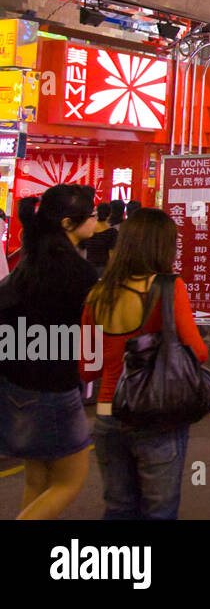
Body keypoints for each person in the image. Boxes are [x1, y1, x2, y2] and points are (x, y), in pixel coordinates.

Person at [80, 209, 209, 519]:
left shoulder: (97, 294)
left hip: (108, 413)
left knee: (118, 508)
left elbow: (88, 368)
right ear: (162, 246)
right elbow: (199, 353)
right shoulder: (168, 288)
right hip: (156, 413)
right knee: (159, 510)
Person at [0, 185, 98, 519]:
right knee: (70, 479)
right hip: (54, 389)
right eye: (93, 216)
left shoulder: (28, 263)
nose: (96, 223)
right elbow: (90, 338)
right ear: (69, 223)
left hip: (15, 384)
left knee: (38, 478)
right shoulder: (80, 274)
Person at [81, 202, 120, 277]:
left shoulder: (88, 229)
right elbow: (111, 254)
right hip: (103, 268)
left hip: (87, 266)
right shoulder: (112, 232)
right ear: (109, 215)